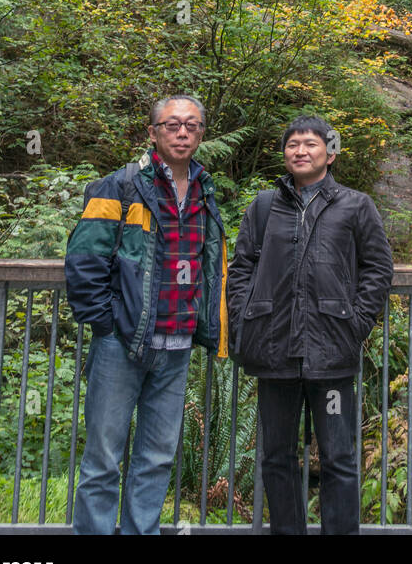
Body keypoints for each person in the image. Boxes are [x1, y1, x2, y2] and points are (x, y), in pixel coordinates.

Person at [65, 94, 227, 535]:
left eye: (192, 125)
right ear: (152, 132)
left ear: (201, 134)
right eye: (172, 124)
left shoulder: (204, 189)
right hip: (122, 343)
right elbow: (84, 262)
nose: (182, 132)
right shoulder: (118, 186)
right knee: (103, 458)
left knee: (156, 458)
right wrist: (107, 323)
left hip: (176, 346)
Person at [227, 114, 393, 535]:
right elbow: (242, 266)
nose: (300, 151)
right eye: (292, 145)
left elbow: (377, 267)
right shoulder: (265, 205)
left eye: (310, 144)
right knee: (276, 456)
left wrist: (356, 323)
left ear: (330, 153)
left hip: (332, 353)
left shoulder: (355, 205)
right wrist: (245, 319)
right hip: (274, 350)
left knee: (338, 456)